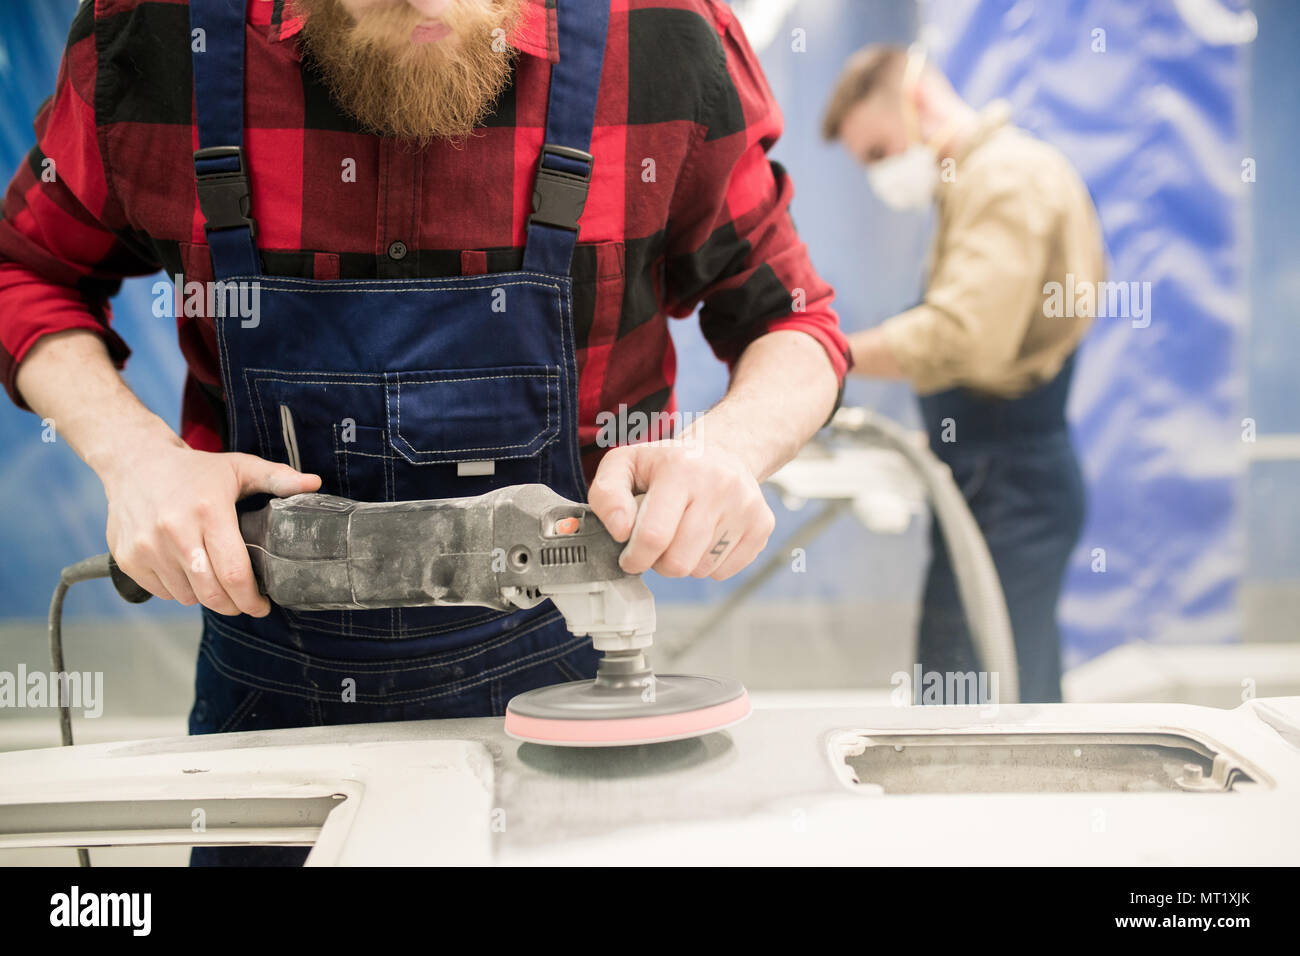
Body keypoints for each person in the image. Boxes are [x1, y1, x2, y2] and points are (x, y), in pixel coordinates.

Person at [0, 0, 849, 863]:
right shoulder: (158, 35)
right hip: (269, 695)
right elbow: (24, 268)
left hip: (568, 681)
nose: (430, 8)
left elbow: (797, 319)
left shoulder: (659, 35)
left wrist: (728, 451)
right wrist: (137, 459)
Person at [821, 44, 1105, 704]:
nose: (881, 173)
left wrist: (821, 354)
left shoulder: (1004, 181)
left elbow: (964, 338)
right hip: (993, 474)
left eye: (880, 151)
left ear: (916, 102)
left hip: (1015, 489)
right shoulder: (972, 182)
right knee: (987, 690)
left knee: (980, 708)